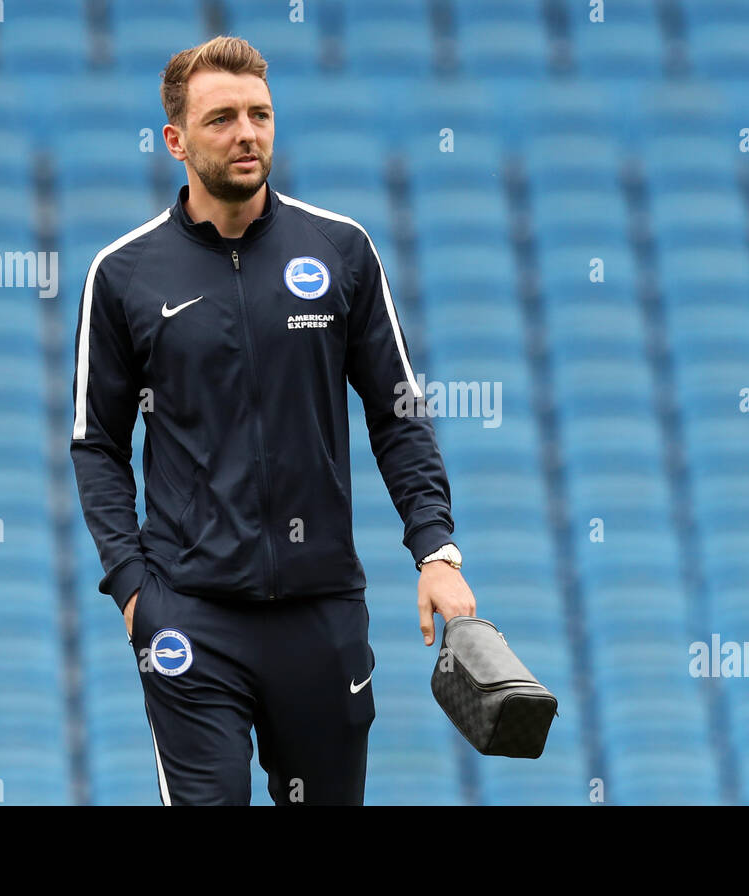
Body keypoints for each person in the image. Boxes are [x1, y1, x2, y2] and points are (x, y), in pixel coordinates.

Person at [69, 35, 476, 805]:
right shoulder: (121, 274)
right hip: (189, 615)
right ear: (177, 140)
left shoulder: (341, 250)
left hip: (321, 614)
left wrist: (436, 550)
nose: (247, 133)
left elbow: (397, 414)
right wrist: (133, 592)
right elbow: (97, 446)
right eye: (221, 119)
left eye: (260, 114)